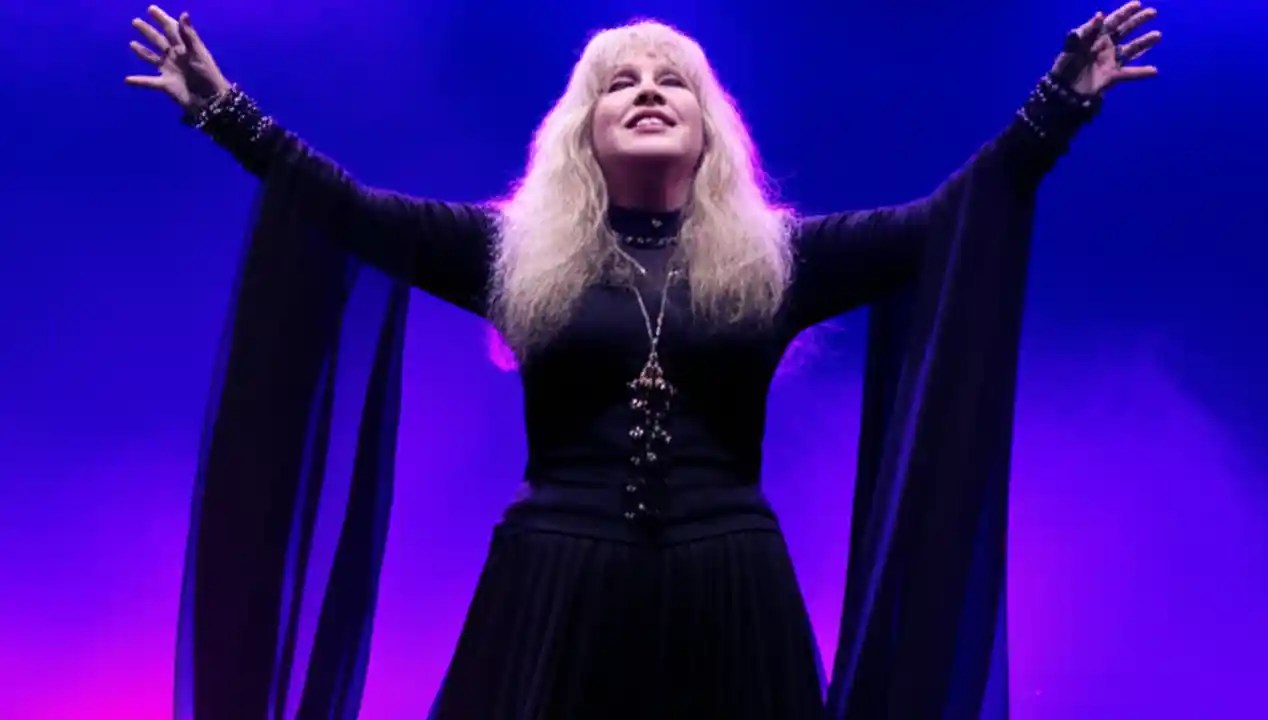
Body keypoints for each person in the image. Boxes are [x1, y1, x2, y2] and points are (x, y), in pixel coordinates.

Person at [126, 4, 1161, 719]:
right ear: (582, 132)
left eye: (674, 82)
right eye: (620, 83)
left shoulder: (772, 263)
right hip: (553, 582)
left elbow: (948, 225)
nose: (649, 91)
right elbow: (348, 210)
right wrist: (227, 113)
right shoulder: (513, 255)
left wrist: (1054, 108)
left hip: (730, 593)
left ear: (711, 133)